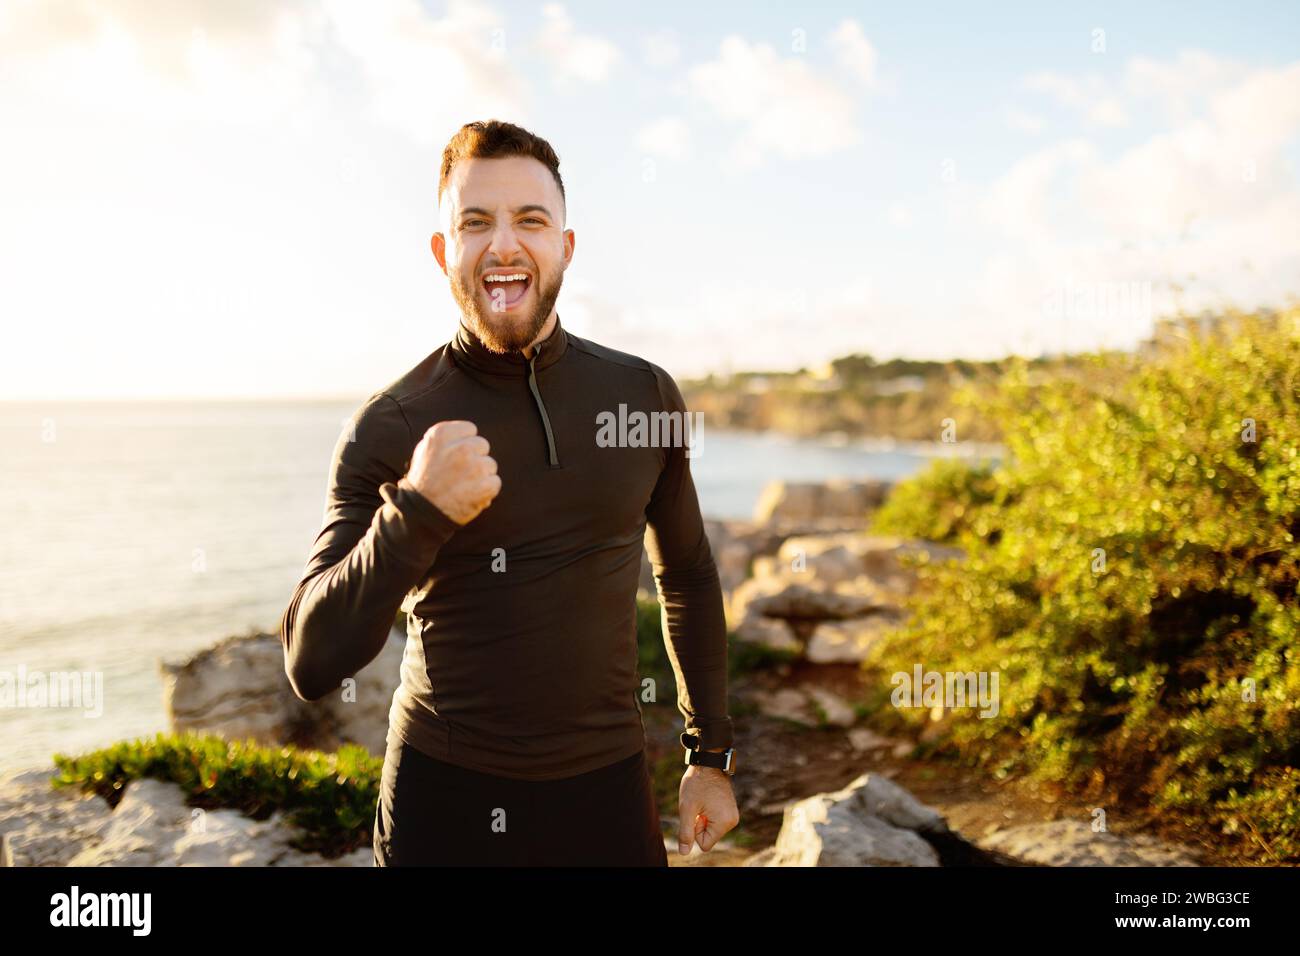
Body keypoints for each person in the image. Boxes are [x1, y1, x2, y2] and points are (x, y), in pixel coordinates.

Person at [278, 119, 739, 866]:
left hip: (608, 794)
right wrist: (416, 514)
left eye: (530, 220)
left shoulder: (641, 394)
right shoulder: (390, 425)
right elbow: (310, 660)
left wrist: (708, 755)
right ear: (443, 253)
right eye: (474, 223)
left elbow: (685, 574)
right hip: (444, 801)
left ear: (565, 245)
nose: (503, 245)